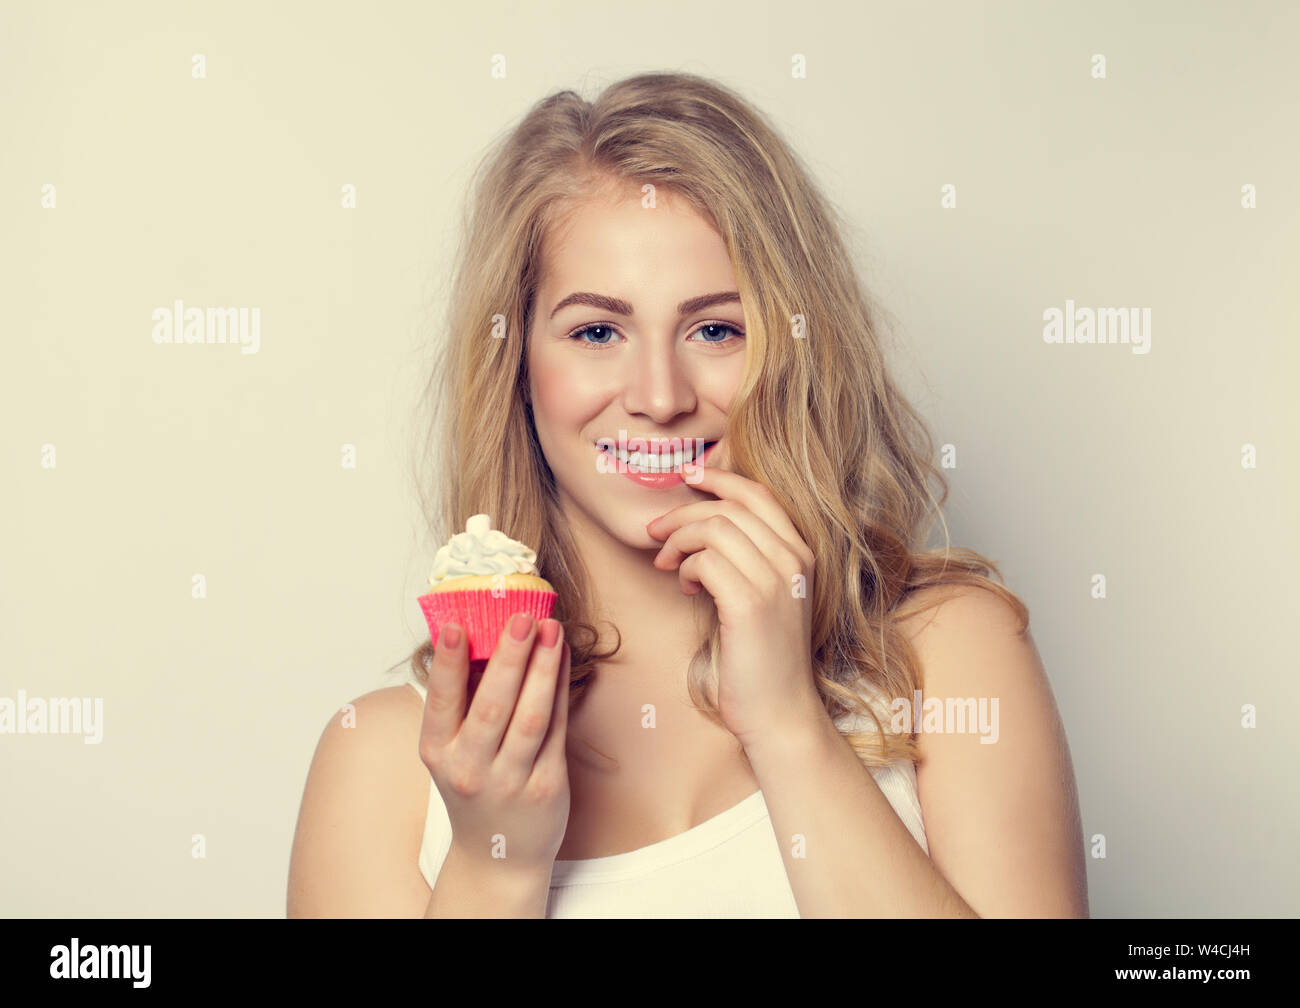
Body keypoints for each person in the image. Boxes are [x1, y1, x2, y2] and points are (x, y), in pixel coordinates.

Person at [287, 71, 1088, 918]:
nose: (660, 396)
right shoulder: (382, 763)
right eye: (597, 331)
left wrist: (789, 725)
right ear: (517, 367)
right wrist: (497, 867)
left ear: (792, 351)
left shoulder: (947, 652)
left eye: (715, 329)